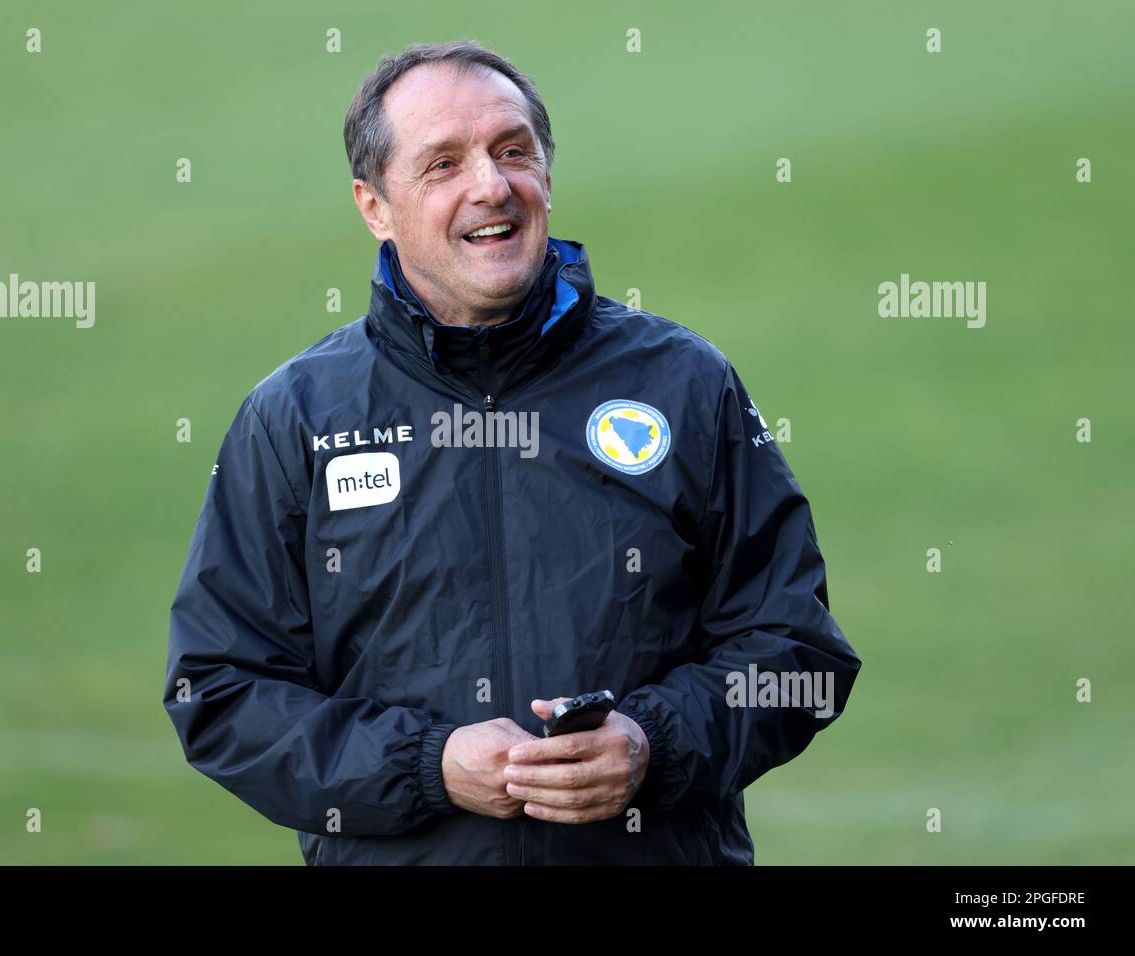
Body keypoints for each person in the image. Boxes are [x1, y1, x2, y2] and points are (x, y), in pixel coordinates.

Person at [163, 39, 862, 865]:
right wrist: (426, 766)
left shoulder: (683, 383)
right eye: (443, 165)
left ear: (548, 176)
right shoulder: (296, 418)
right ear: (374, 206)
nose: (491, 186)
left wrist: (653, 744)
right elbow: (220, 691)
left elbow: (797, 653)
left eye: (513, 151)